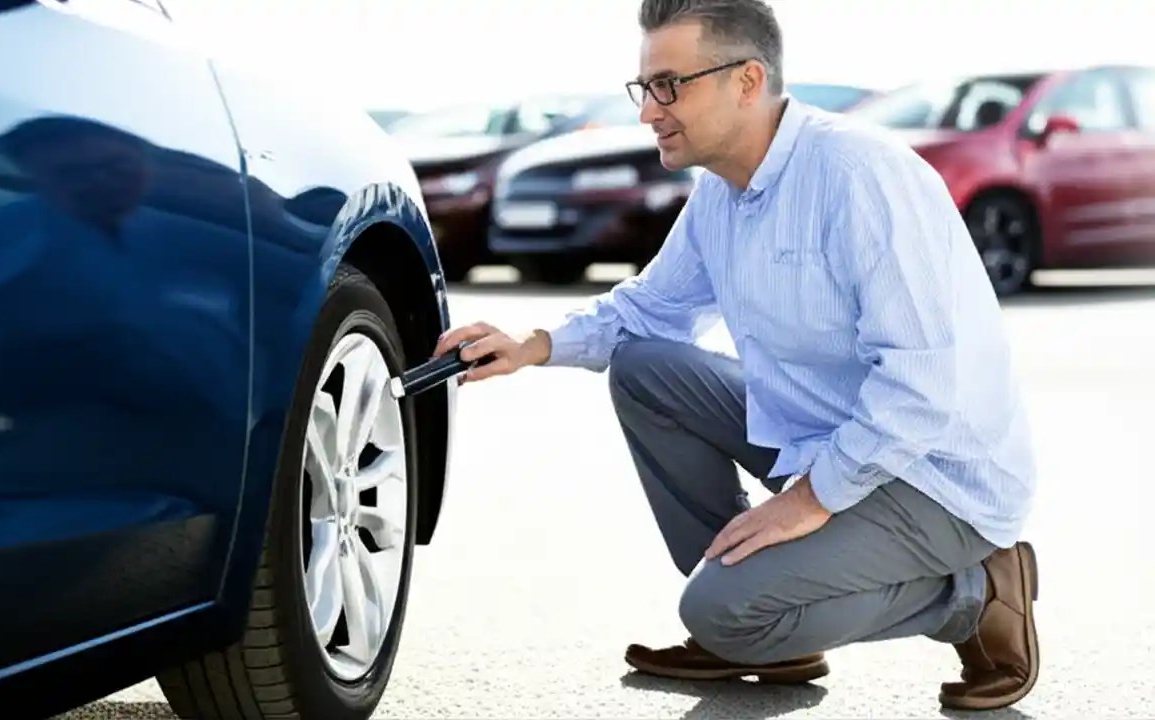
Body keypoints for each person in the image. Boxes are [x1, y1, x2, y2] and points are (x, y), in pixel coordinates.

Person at [434, 0, 1040, 712]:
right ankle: (769, 621)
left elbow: (922, 388)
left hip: (935, 477)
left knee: (717, 610)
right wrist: (530, 346)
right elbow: (650, 310)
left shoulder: (860, 177)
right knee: (646, 368)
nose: (648, 111)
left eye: (669, 86)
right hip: (831, 440)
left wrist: (809, 504)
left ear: (747, 80)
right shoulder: (724, 191)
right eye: (645, 88)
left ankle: (972, 592)